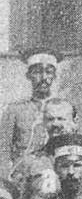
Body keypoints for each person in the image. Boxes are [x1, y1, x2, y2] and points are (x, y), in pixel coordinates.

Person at [1, 47, 59, 177]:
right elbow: (3, 150)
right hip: (22, 175)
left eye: (49, 72)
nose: (44, 77)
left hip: (56, 173)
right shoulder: (14, 110)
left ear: (54, 76)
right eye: (37, 72)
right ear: (28, 75)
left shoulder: (64, 109)